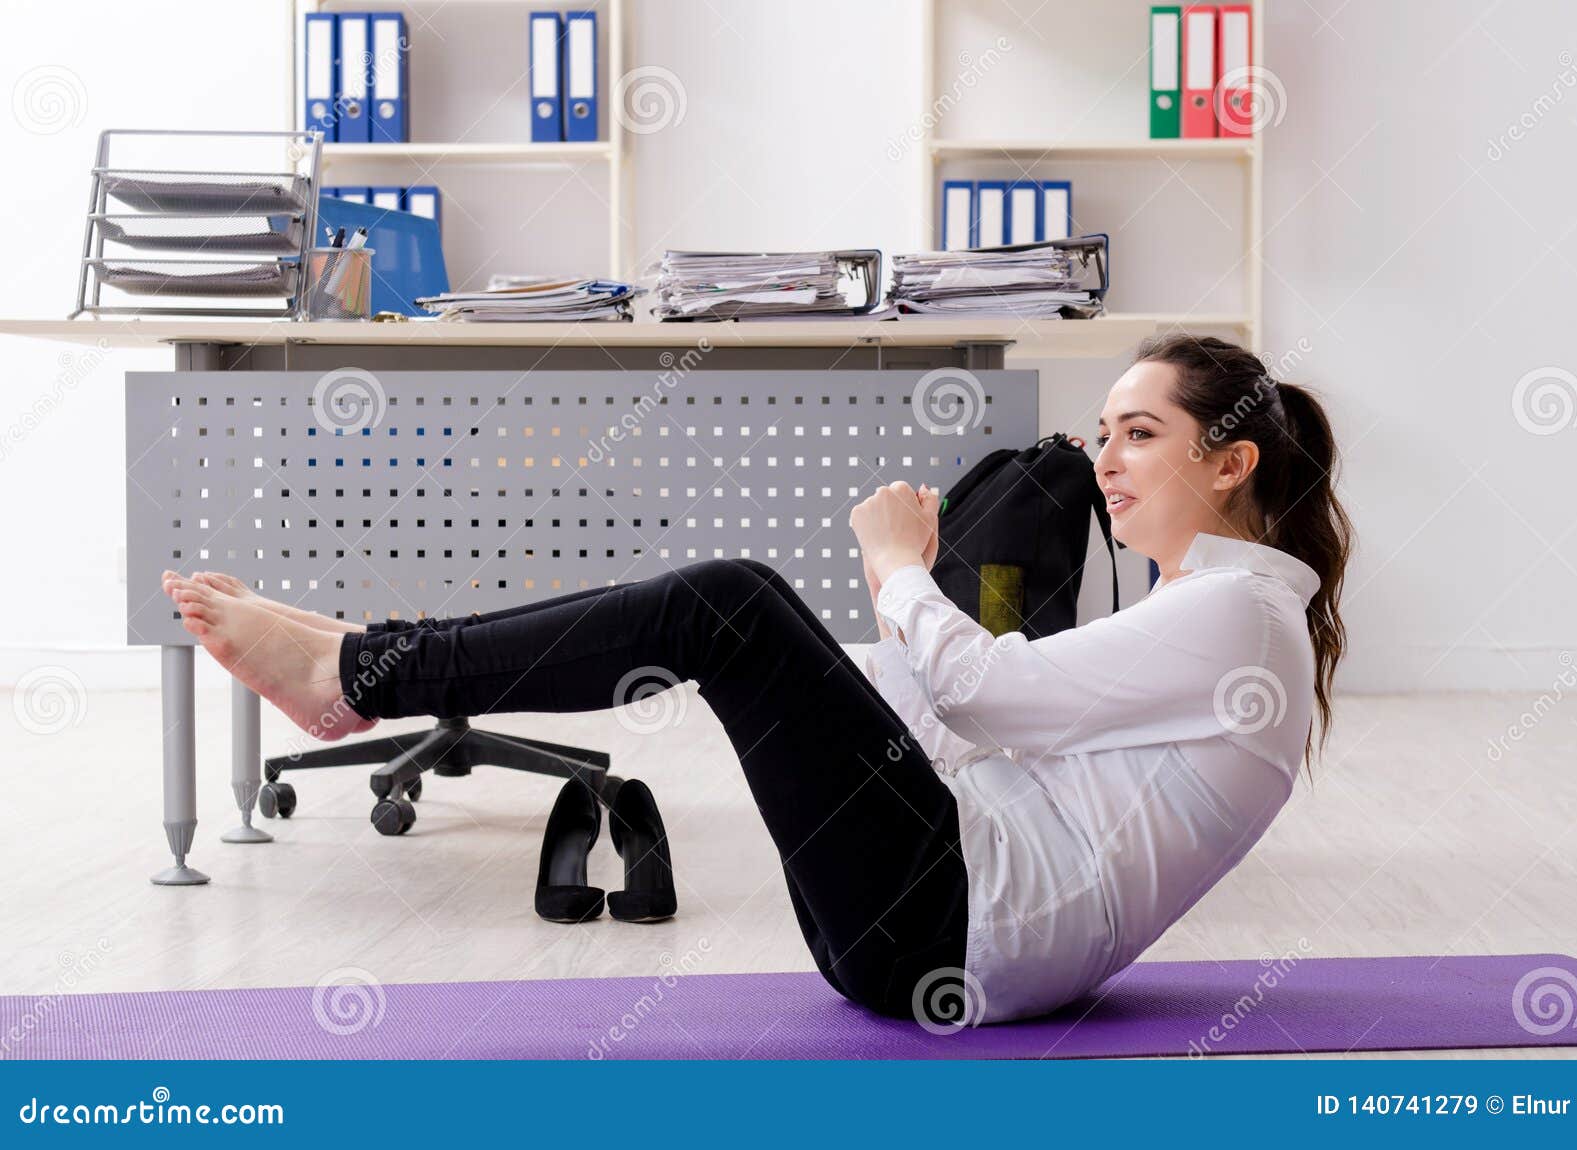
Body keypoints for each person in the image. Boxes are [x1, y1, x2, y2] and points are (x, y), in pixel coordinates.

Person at [161, 333, 1352, 1027]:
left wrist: (896, 570)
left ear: (1231, 460)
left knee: (726, 602)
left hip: (950, 936)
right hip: (949, 917)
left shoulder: (1236, 618)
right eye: (1102, 430)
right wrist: (883, 625)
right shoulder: (1220, 614)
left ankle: (360, 670)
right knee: (751, 609)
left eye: (1137, 433)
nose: (1102, 461)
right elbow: (962, 720)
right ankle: (371, 656)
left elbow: (986, 700)